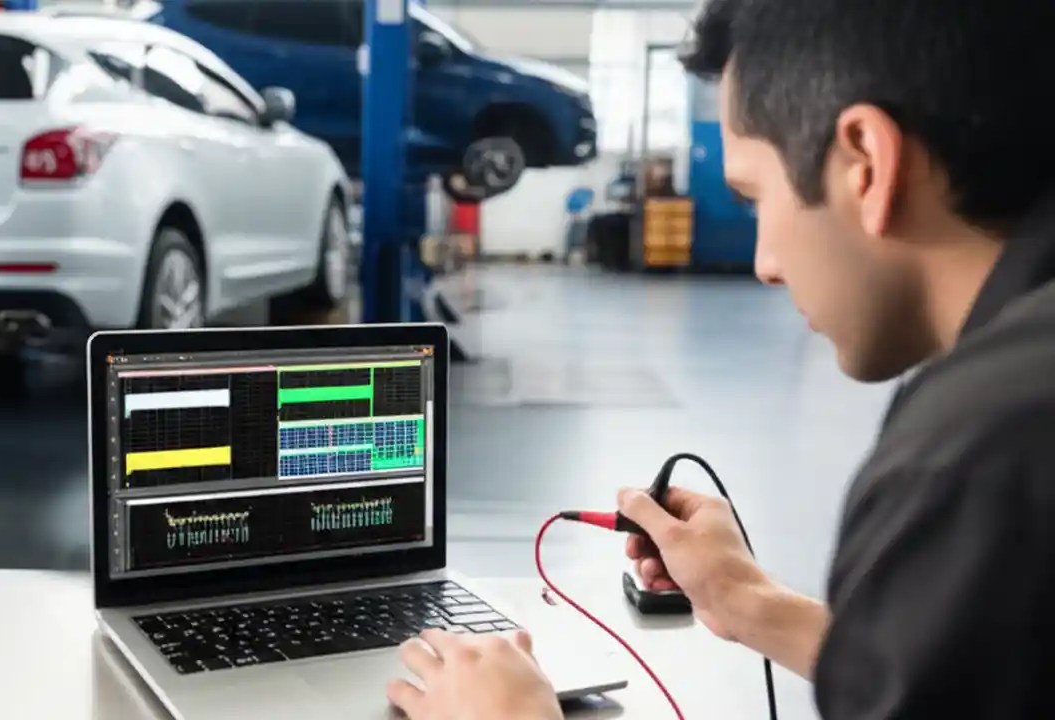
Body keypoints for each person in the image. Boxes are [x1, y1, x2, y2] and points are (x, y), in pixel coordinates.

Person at [386, 0, 1055, 717]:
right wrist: (750, 604)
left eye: (754, 196)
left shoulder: (976, 458)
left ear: (866, 161)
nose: (767, 264)